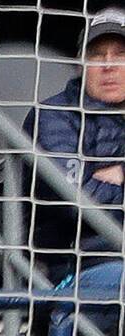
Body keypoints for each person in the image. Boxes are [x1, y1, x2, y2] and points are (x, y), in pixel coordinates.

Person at [25, 8, 125, 285]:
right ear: (81, 65)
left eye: (120, 54)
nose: (109, 65)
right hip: (77, 267)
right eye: (97, 55)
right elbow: (78, 203)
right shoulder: (53, 116)